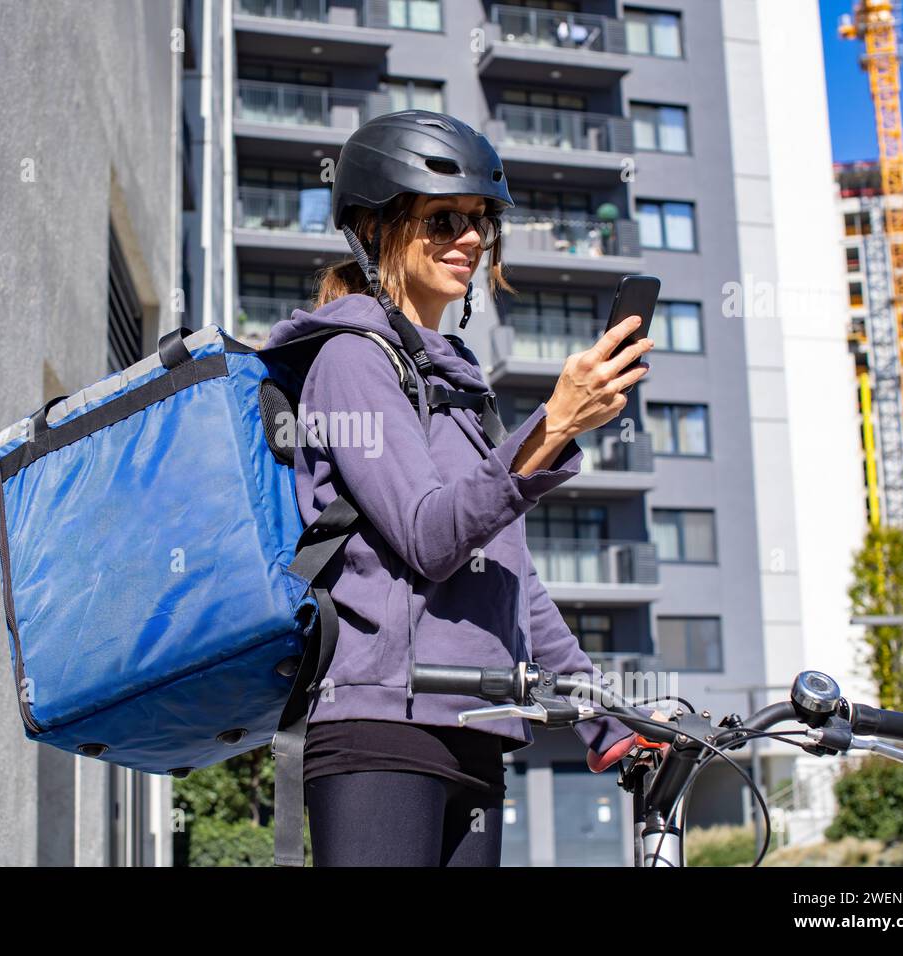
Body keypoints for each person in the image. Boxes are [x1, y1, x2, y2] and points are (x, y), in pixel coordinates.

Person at [262, 110, 665, 867]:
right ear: (376, 227)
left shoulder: (456, 385)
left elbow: (510, 582)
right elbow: (427, 535)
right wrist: (552, 427)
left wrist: (606, 720)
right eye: (443, 218)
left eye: (481, 222)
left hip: (476, 729)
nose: (471, 239)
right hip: (379, 727)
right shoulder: (351, 360)